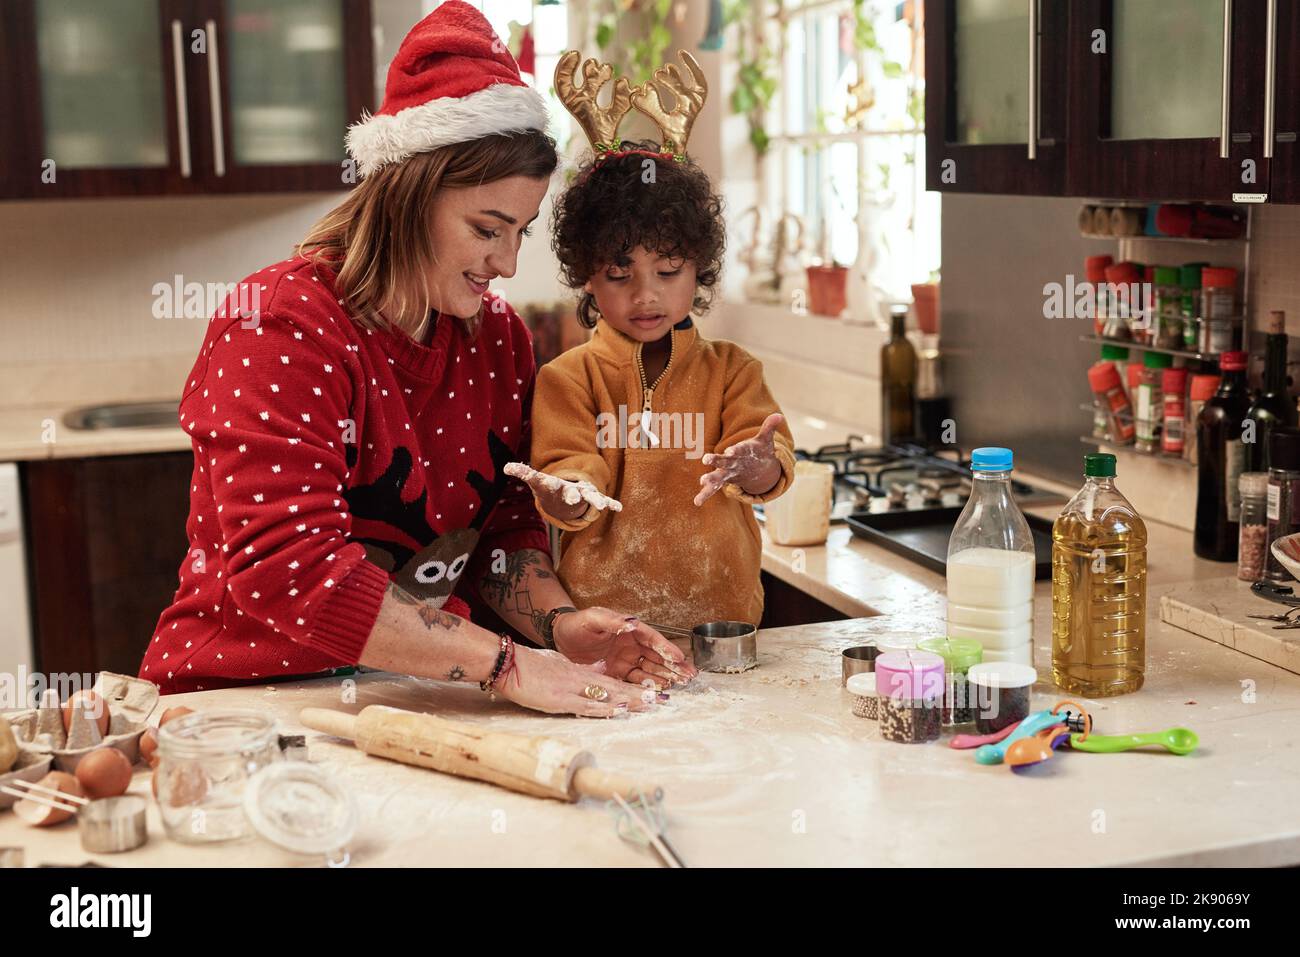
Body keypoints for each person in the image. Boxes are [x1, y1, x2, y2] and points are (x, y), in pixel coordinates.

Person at [139, 3, 693, 717]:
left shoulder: (498, 339)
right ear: (407, 196)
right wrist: (506, 662)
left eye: (520, 231)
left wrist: (557, 627)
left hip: (412, 698)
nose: (506, 261)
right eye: (486, 228)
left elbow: (503, 533)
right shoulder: (281, 323)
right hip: (241, 707)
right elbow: (293, 574)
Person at [510, 51, 795, 634]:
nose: (645, 296)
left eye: (668, 272)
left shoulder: (733, 372)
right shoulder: (567, 379)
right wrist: (567, 494)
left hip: (725, 627)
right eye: (619, 276)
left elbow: (766, 463)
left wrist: (758, 465)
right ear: (587, 275)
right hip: (607, 629)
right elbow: (569, 474)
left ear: (699, 270)